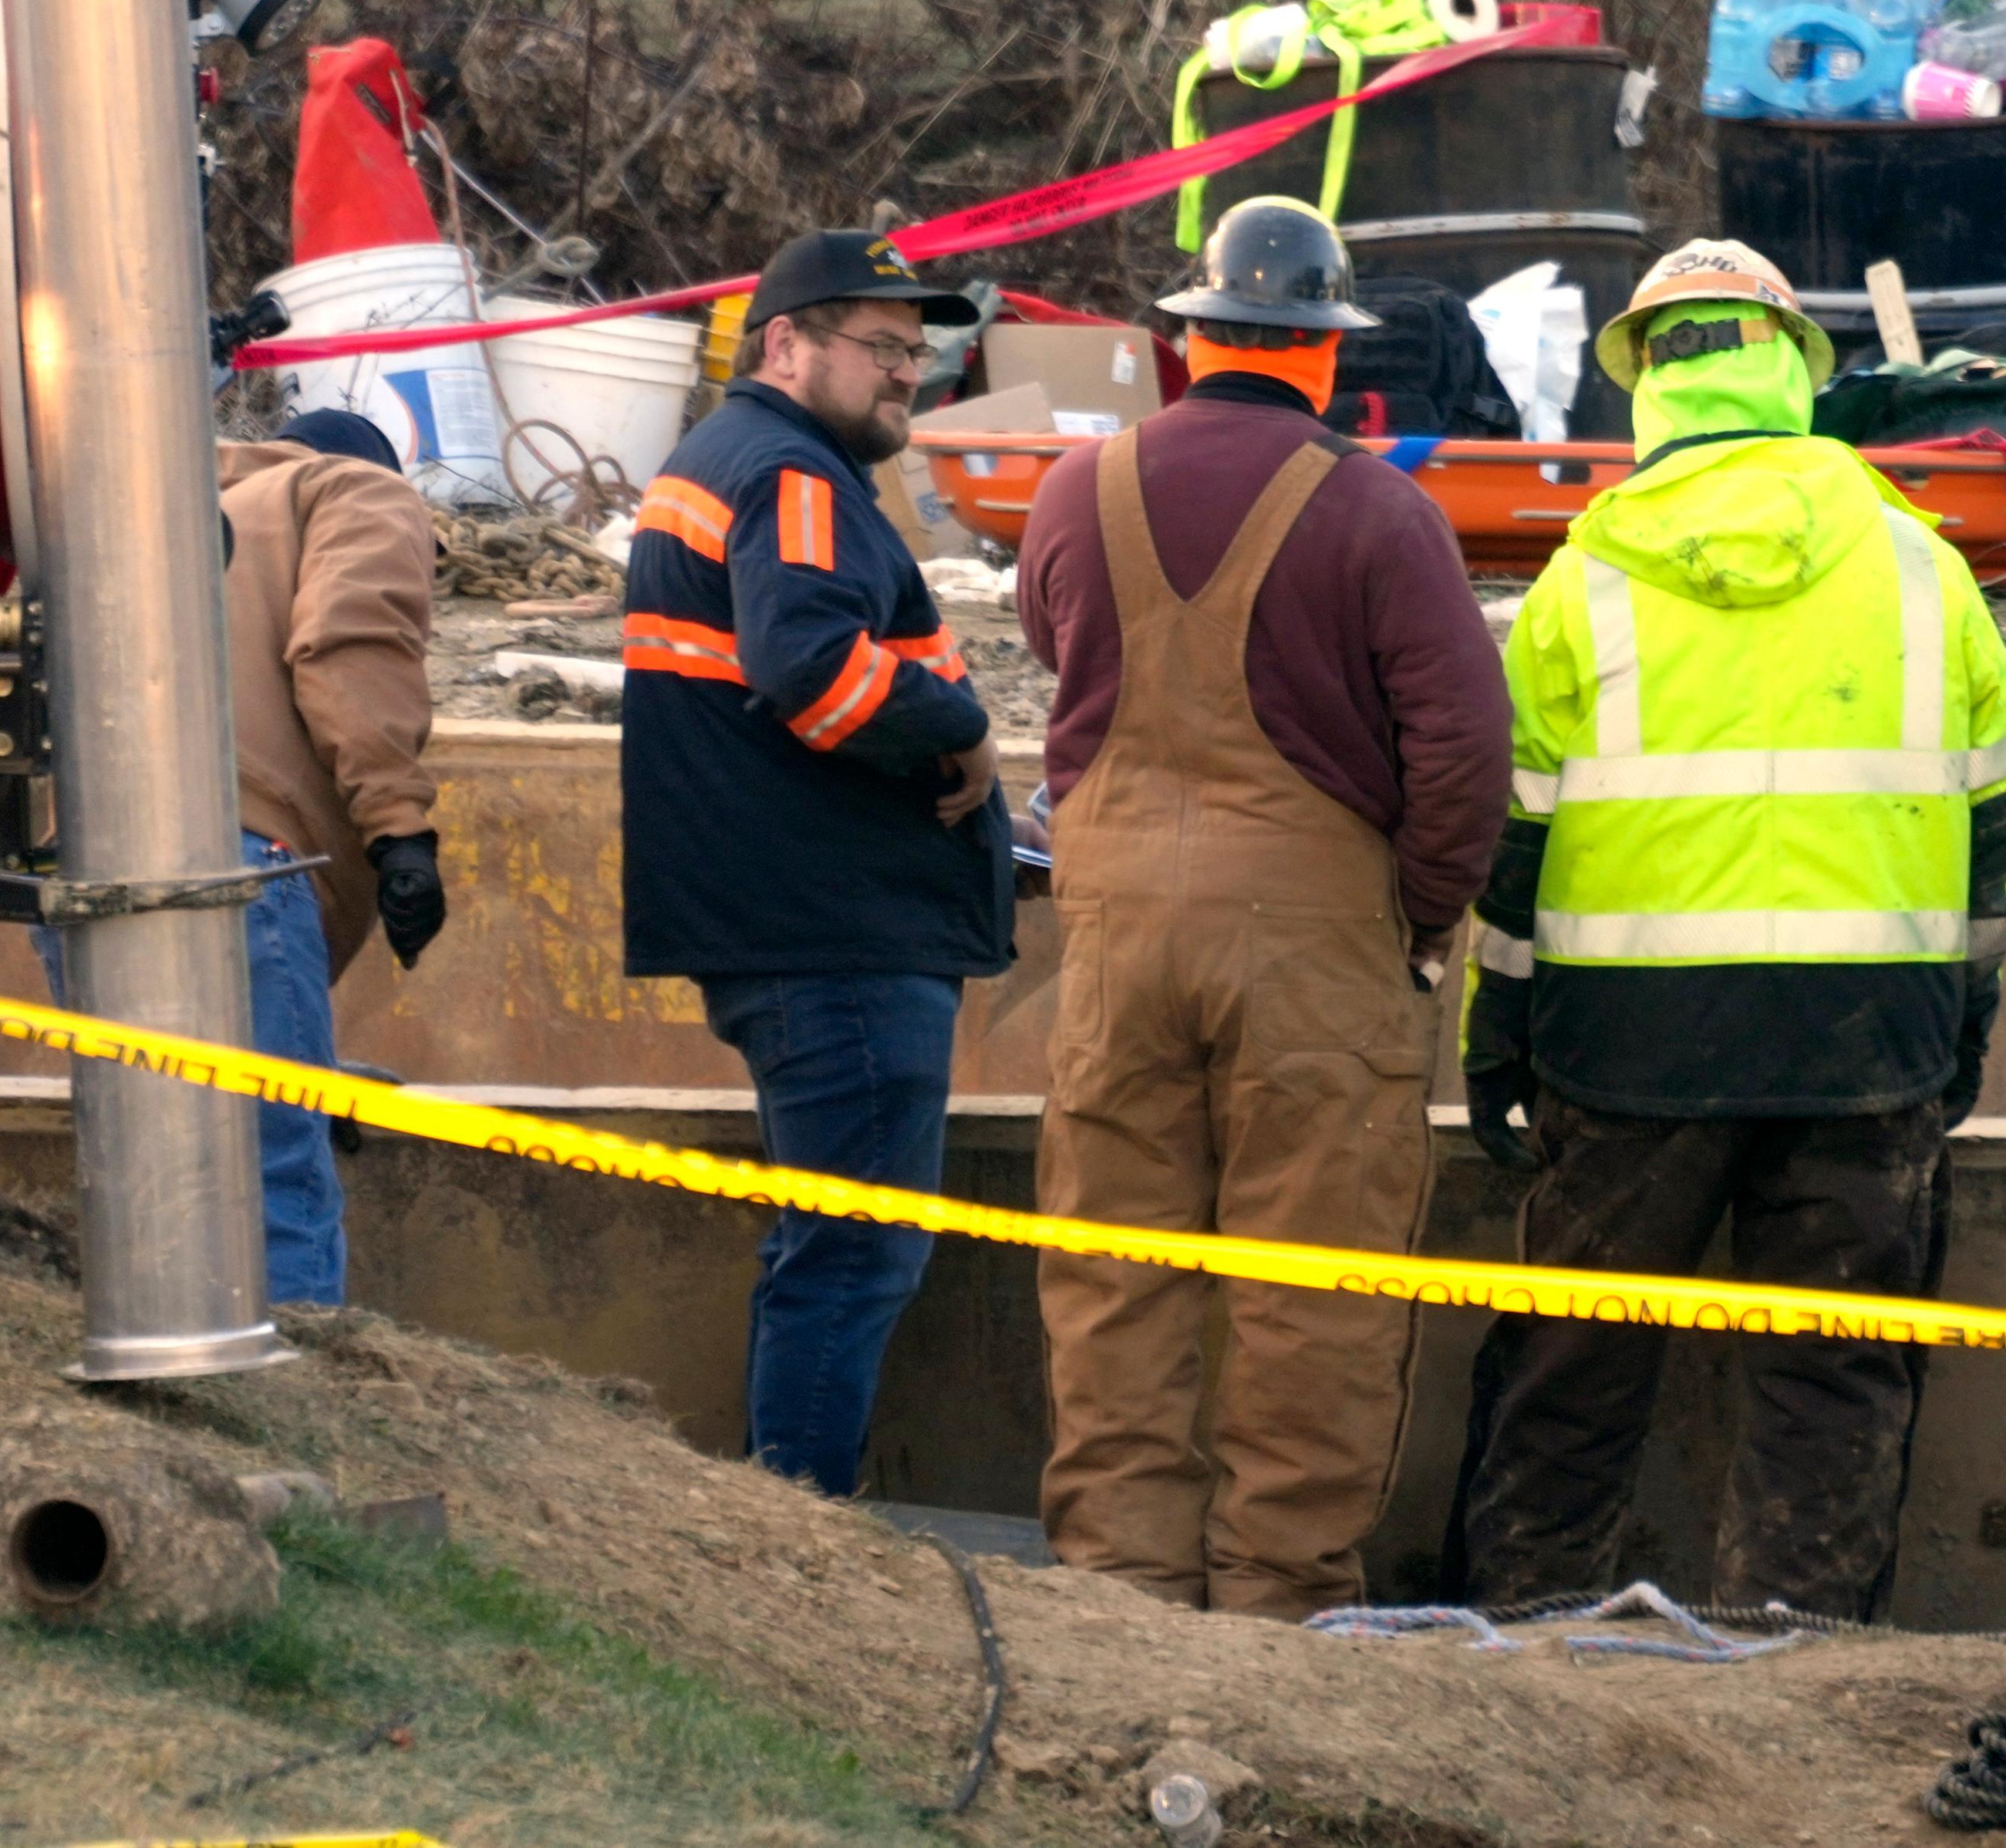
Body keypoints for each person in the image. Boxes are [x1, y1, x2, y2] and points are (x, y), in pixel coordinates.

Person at [1455, 239, 2006, 1620]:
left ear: (1644, 378)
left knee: (1572, 1372)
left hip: (1626, 1046)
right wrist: (1961, 1030)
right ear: (1795, 371)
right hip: (1865, 1039)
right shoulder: (1921, 570)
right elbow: (1988, 837)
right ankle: (1798, 1676)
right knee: (1832, 1383)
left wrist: (1499, 1034)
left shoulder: (1579, 583)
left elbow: (1512, 855)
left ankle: (1527, 1659)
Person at [1016, 196, 1512, 1618]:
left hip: (1113, 940)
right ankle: (1280, 1605)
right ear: (1323, 351)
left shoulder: (1073, 491)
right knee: (1315, 1294)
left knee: (1117, 1273)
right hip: (1311, 948)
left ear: (1188, 340)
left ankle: (1119, 1592)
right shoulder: (1374, 506)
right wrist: (1415, 913)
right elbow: (1463, 750)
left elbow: (1067, 662)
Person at [620, 229, 1016, 1497]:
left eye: (918, 350)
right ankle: (803, 1530)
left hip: (785, 922)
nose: (907, 373)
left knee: (826, 1246)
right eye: (880, 346)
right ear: (781, 342)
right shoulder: (794, 474)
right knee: (855, 1252)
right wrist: (958, 725)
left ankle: (786, 1521)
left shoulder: (724, 459)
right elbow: (815, 671)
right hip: (839, 936)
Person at [215, 404, 447, 1308]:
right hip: (239, 865)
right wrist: (399, 827)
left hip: (70, 869)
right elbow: (351, 647)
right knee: (277, 1172)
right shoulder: (356, 489)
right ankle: (299, 1410)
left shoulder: (165, 505)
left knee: (164, 1154)